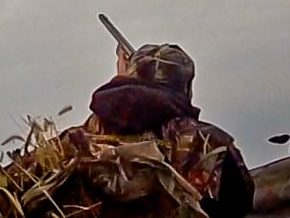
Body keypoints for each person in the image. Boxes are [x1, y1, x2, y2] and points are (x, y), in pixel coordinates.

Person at [86, 42, 255, 218]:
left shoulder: (82, 139)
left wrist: (123, 81)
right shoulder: (208, 142)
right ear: (185, 87)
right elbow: (239, 205)